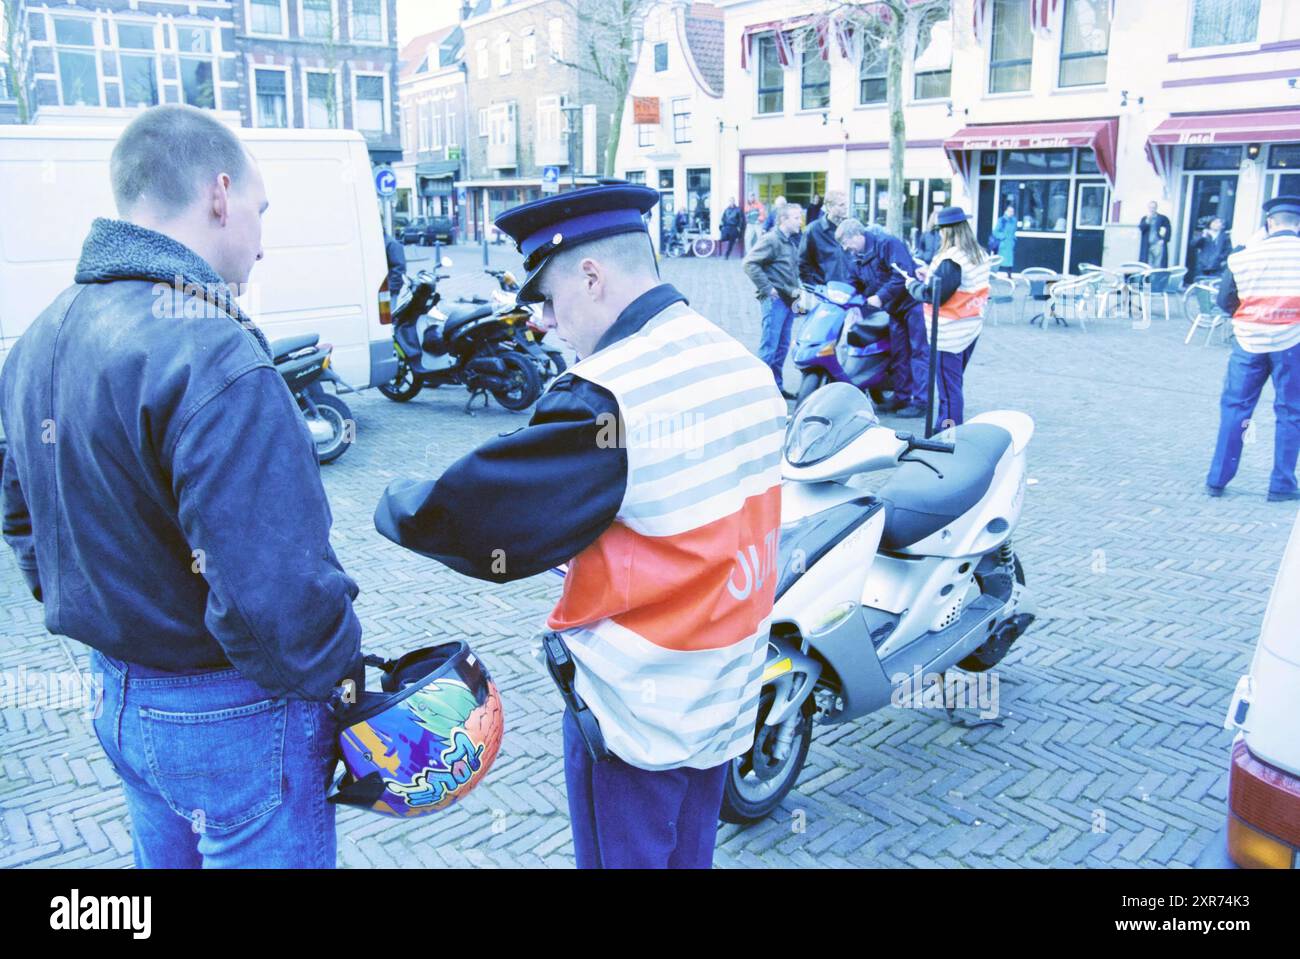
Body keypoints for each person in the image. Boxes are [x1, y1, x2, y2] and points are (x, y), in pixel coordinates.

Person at [372, 183, 785, 869]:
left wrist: (393, 502)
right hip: (722, 698)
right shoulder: (740, 363)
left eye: (551, 301)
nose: (548, 325)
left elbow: (486, 516)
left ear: (591, 277)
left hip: (637, 722)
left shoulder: (611, 393)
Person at [0, 105, 361, 868]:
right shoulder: (215, 351)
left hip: (118, 698)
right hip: (228, 712)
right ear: (220, 195)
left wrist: (105, 609)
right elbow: (275, 590)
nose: (263, 239)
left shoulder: (37, 339)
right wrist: (341, 674)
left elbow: (24, 519)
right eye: (261, 212)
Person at [1205, 196, 1300, 502]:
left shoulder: (1243, 255)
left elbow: (1225, 301)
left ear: (1269, 223)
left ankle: (1217, 479)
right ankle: (1281, 484)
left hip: (1249, 342)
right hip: (1292, 342)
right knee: (1291, 411)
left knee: (1236, 408)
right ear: (1298, 225)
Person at [904, 206, 991, 428]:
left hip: (949, 334)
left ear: (947, 231)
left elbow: (934, 295)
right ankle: (944, 425)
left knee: (948, 390)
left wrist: (912, 285)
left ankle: (949, 431)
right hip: (970, 327)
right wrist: (931, 276)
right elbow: (955, 284)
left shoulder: (952, 259)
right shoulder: (979, 253)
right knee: (953, 383)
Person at [838, 218, 928, 417]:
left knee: (919, 352)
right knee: (899, 353)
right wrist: (843, 297)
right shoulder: (857, 256)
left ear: (856, 235)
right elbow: (854, 282)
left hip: (912, 304)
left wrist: (880, 297)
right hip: (894, 309)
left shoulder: (887, 244)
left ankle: (921, 402)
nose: (846, 248)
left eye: (846, 242)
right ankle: (901, 397)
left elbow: (902, 275)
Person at [744, 202, 805, 397]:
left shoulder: (791, 240)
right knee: (769, 346)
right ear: (783, 219)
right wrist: (767, 288)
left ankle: (776, 387)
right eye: (796, 218)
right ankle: (758, 391)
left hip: (789, 300)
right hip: (775, 300)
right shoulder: (771, 239)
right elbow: (749, 263)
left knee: (782, 346)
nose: (800, 221)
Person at [798, 189, 852, 286]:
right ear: (829, 207)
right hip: (825, 292)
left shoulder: (851, 227)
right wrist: (815, 288)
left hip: (851, 290)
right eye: (841, 205)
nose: (846, 207)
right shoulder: (813, 230)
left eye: (846, 204)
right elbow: (802, 264)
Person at [1139, 200, 1172, 268]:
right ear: (1148, 208)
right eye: (1150, 208)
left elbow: (1168, 229)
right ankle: (1149, 278)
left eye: (1153, 208)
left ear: (1156, 208)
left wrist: (1164, 240)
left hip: (1158, 244)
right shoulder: (1145, 218)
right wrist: (1147, 220)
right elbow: (1142, 228)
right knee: (1147, 264)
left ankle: (1157, 278)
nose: (1152, 209)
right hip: (1147, 245)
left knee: (1158, 264)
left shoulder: (1162, 218)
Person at [988, 202, 1017, 272]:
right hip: (1003, 244)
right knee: (1001, 260)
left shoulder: (1014, 220)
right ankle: (995, 274)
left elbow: (1014, 230)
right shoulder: (1001, 220)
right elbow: (995, 232)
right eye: (1009, 211)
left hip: (1010, 244)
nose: (1011, 213)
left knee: (1010, 261)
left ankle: (1009, 275)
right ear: (1005, 211)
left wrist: (1014, 239)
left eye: (1012, 211)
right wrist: (1003, 236)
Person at [384, 227, 406, 313]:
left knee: (387, 316)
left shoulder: (391, 244)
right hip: (384, 289)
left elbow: (399, 268)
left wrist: (391, 289)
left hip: (388, 291)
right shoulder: (380, 242)